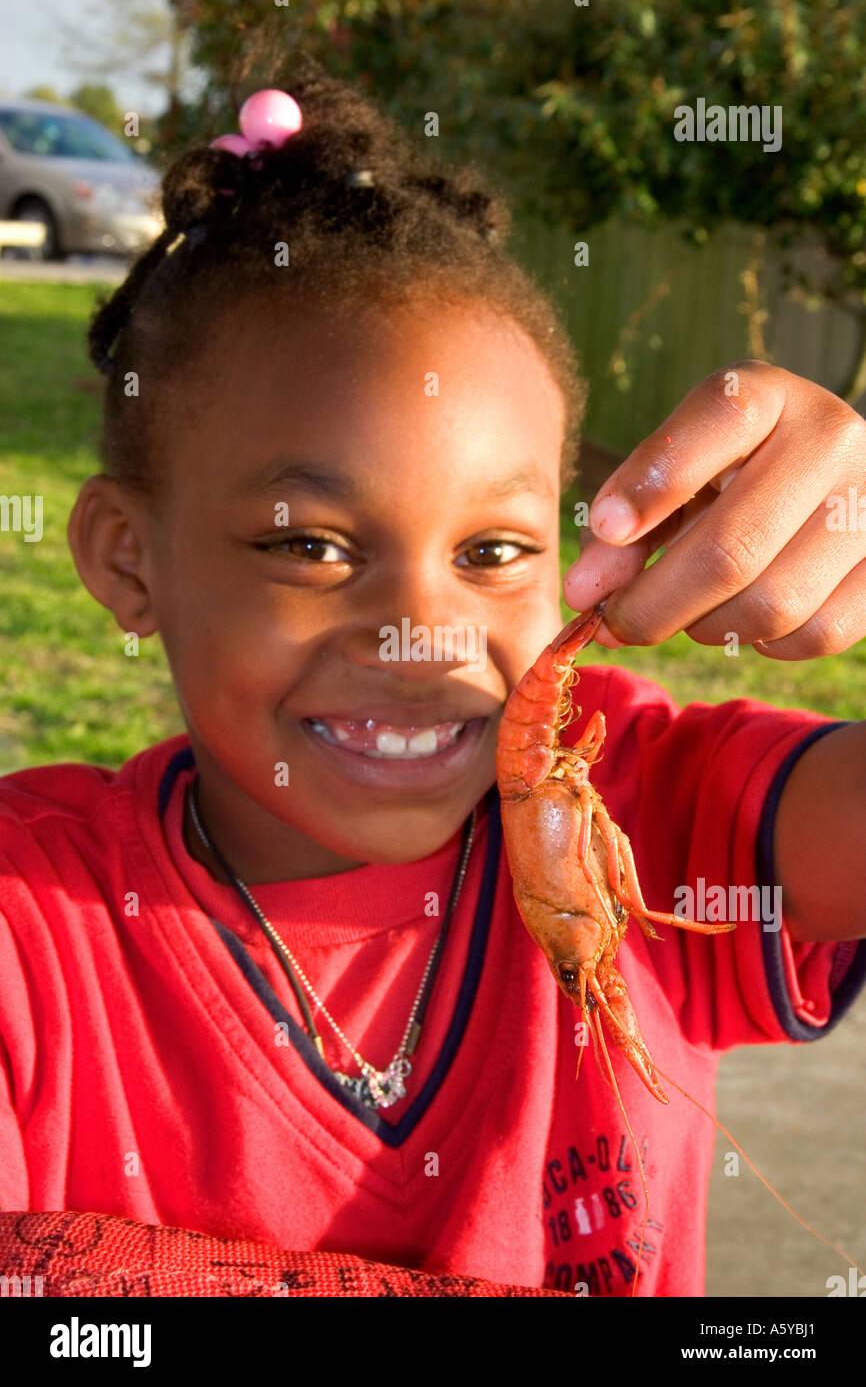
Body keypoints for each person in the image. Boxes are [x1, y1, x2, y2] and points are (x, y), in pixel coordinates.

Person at [0, 64, 864, 1300]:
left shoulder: (655, 809)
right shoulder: (35, 932)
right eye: (309, 545)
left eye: (493, 552)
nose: (422, 630)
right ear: (126, 560)